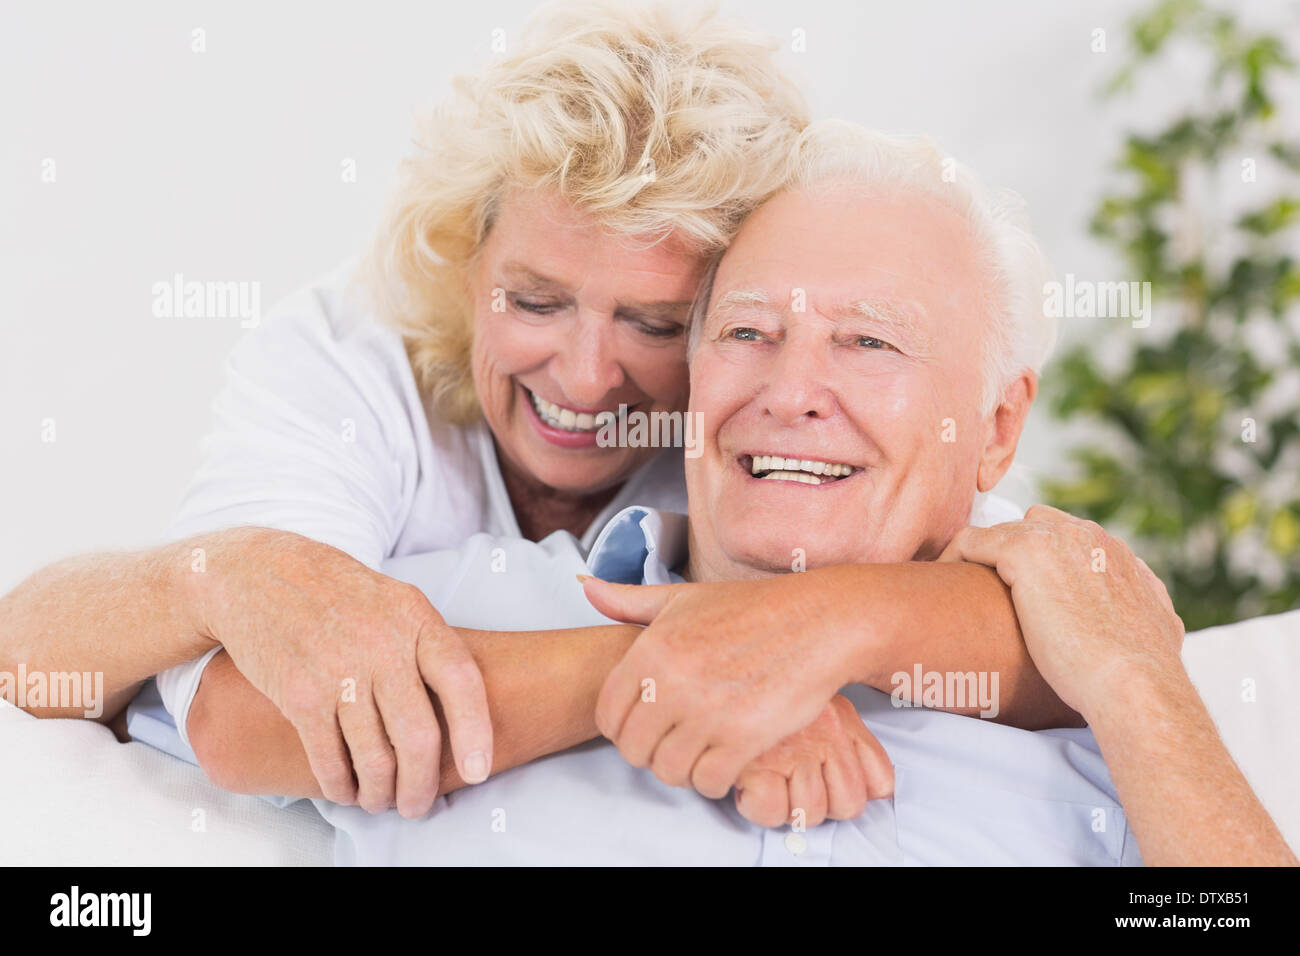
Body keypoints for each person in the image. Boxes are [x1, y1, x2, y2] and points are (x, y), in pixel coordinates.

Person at [1, 0, 1079, 823]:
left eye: (655, 323)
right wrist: (687, 673)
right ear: (465, 265)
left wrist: (821, 633)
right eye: (535, 299)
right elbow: (234, 716)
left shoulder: (762, 414)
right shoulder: (353, 364)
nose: (584, 374)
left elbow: (1042, 628)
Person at [157, 121, 1295, 864]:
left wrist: (1135, 686)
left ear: (996, 426)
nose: (791, 389)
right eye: (748, 331)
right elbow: (229, 711)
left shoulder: (1084, 701)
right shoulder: (479, 608)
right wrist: (661, 668)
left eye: (868, 343)